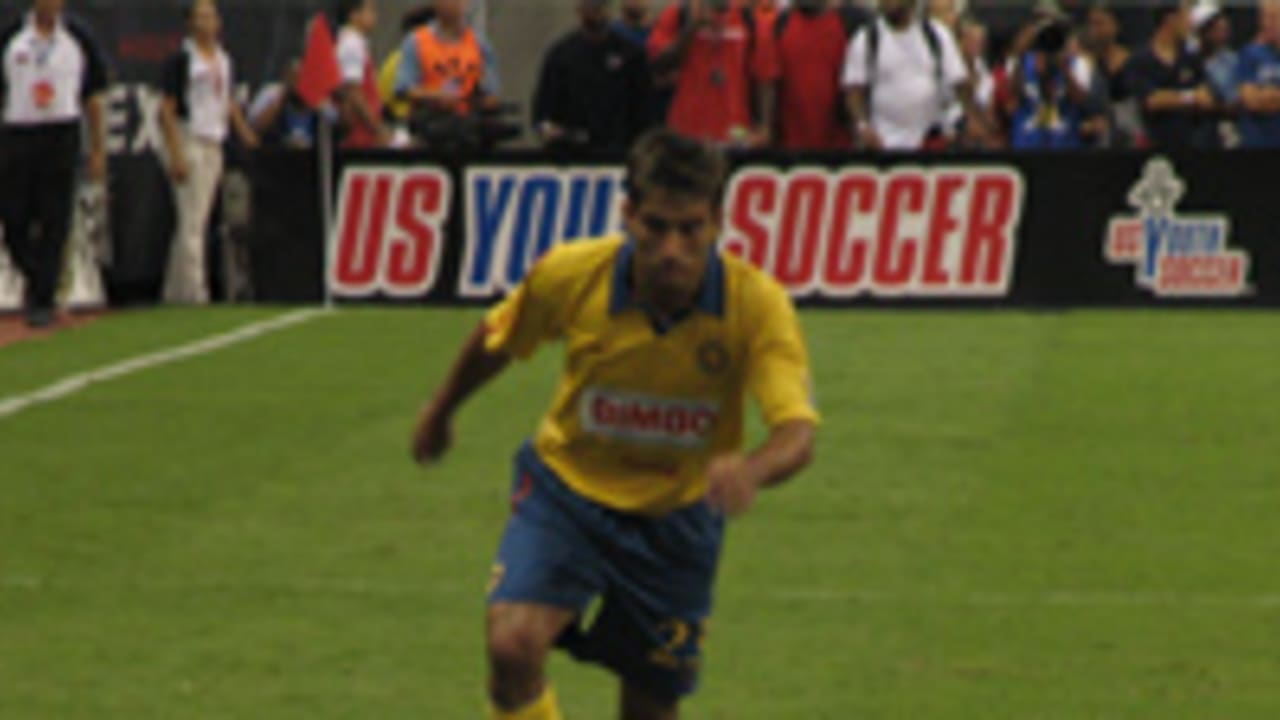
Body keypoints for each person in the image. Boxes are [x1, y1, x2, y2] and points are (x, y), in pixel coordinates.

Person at [411, 128, 818, 720]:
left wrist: (751, 471)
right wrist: (442, 408)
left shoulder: (757, 304)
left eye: (690, 229)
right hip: (566, 493)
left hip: (676, 520)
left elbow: (796, 433)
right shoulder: (573, 273)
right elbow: (499, 337)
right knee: (512, 644)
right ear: (627, 215)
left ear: (718, 223)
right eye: (655, 227)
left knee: (649, 707)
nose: (672, 249)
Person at [0, 0, 109, 328]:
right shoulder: (13, 37)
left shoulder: (77, 37)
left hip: (61, 131)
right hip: (19, 130)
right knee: (13, 219)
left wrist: (98, 148)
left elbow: (93, 97)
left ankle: (43, 299)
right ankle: (37, 278)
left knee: (55, 218)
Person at [159, 0, 259, 305]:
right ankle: (195, 292)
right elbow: (167, 109)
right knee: (192, 221)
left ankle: (175, 290)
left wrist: (244, 132)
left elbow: (226, 101)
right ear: (190, 23)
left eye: (212, 16)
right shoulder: (183, 59)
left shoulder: (223, 59)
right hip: (190, 137)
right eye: (201, 16)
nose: (208, 22)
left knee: (195, 218)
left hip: (214, 141)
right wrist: (175, 153)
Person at [842, 0, 984, 151]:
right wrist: (863, 126)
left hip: (929, 143)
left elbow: (960, 84)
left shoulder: (936, 36)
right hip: (883, 145)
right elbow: (854, 91)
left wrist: (974, 118)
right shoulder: (866, 39)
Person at [647, 0, 777, 146]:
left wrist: (764, 128)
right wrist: (692, 27)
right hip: (685, 133)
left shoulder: (748, 18)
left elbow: (764, 77)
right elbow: (660, 64)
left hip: (735, 134)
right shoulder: (678, 14)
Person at [533, 0, 650, 152]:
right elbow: (543, 111)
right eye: (589, 5)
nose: (595, 12)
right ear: (579, 9)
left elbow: (644, 108)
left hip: (618, 151)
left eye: (599, 6)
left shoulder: (631, 55)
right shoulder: (561, 55)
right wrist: (550, 130)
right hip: (572, 154)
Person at [766, 0, 868, 150]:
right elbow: (770, 84)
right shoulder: (780, 25)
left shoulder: (851, 23)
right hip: (790, 147)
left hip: (840, 145)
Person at [1005, 11, 1105, 148]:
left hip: (1064, 142)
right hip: (1027, 141)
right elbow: (1012, 94)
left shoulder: (1078, 64)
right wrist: (1021, 55)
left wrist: (1065, 69)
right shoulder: (1019, 63)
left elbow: (1080, 100)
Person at [1126, 2, 1216, 149]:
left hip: (1191, 143)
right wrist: (1190, 97)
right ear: (1170, 19)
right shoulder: (1141, 60)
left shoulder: (1190, 58)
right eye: (1186, 16)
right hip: (1155, 143)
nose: (1190, 23)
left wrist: (1173, 98)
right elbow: (1152, 101)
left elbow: (1206, 97)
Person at [395, 0, 500, 119]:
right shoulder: (416, 41)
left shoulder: (479, 44)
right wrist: (435, 96)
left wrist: (479, 100)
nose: (451, 4)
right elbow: (403, 89)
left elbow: (491, 93)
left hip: (467, 124)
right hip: (427, 123)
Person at [335, 0, 388, 147]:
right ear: (354, 15)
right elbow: (354, 93)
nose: (375, 17)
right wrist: (378, 129)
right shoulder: (352, 44)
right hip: (361, 132)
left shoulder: (356, 43)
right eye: (370, 11)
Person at [1235, 0, 1280, 148]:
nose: (1267, 23)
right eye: (1263, 17)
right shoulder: (1250, 53)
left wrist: (1267, 95)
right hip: (1257, 143)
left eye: (1273, 17)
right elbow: (1251, 101)